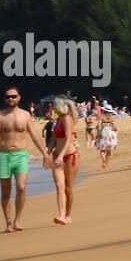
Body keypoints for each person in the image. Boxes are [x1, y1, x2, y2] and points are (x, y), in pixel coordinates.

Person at [0, 86, 50, 233]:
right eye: (8, 97)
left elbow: (34, 135)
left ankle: (17, 220)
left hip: (20, 155)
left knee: (21, 187)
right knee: (6, 191)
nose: (11, 99)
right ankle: (8, 222)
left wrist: (45, 154)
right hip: (3, 156)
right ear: (5, 99)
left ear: (19, 97)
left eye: (13, 96)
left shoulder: (26, 115)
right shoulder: (0, 116)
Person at [47, 95, 79, 225]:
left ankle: (68, 215)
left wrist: (61, 155)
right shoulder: (58, 119)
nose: (53, 107)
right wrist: (47, 154)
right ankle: (61, 215)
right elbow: (54, 140)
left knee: (68, 188)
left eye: (54, 105)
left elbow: (68, 139)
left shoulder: (67, 119)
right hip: (57, 157)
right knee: (59, 186)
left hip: (70, 156)